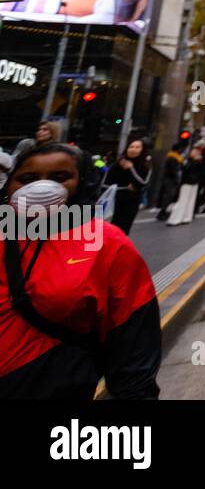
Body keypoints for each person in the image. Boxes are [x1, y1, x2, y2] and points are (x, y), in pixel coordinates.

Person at [0, 142, 161, 398]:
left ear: (83, 184)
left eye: (60, 177)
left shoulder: (108, 245)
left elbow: (134, 349)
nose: (41, 187)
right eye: (27, 178)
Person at [101, 137, 151, 236]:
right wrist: (124, 187)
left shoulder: (145, 166)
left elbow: (142, 183)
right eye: (131, 146)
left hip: (130, 204)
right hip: (113, 202)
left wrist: (131, 168)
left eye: (137, 147)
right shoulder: (118, 164)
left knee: (122, 232)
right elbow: (104, 184)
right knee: (107, 231)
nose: (133, 149)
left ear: (142, 150)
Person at [168, 144, 205, 226]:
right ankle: (175, 219)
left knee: (191, 201)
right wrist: (195, 161)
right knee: (182, 200)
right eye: (195, 151)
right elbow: (185, 169)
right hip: (186, 182)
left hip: (195, 183)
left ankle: (187, 218)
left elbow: (203, 172)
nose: (196, 152)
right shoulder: (187, 159)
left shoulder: (200, 161)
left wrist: (199, 162)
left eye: (198, 151)